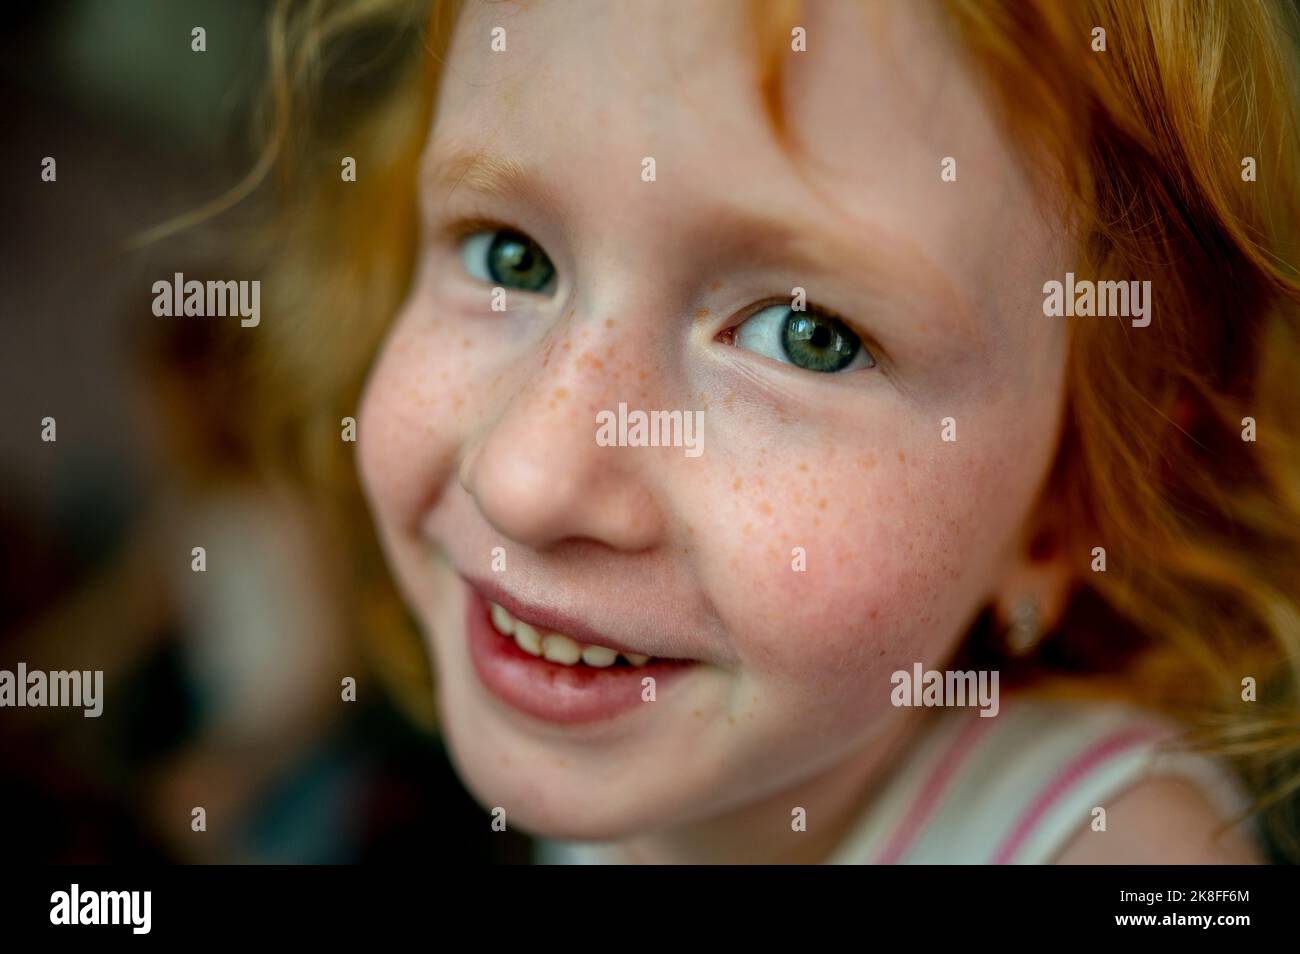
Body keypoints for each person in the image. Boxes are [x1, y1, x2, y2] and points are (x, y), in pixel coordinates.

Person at [243, 0, 1300, 863]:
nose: (526, 478)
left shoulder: (1122, 850)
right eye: (510, 256)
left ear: (1063, 508)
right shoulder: (650, 779)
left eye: (807, 336)